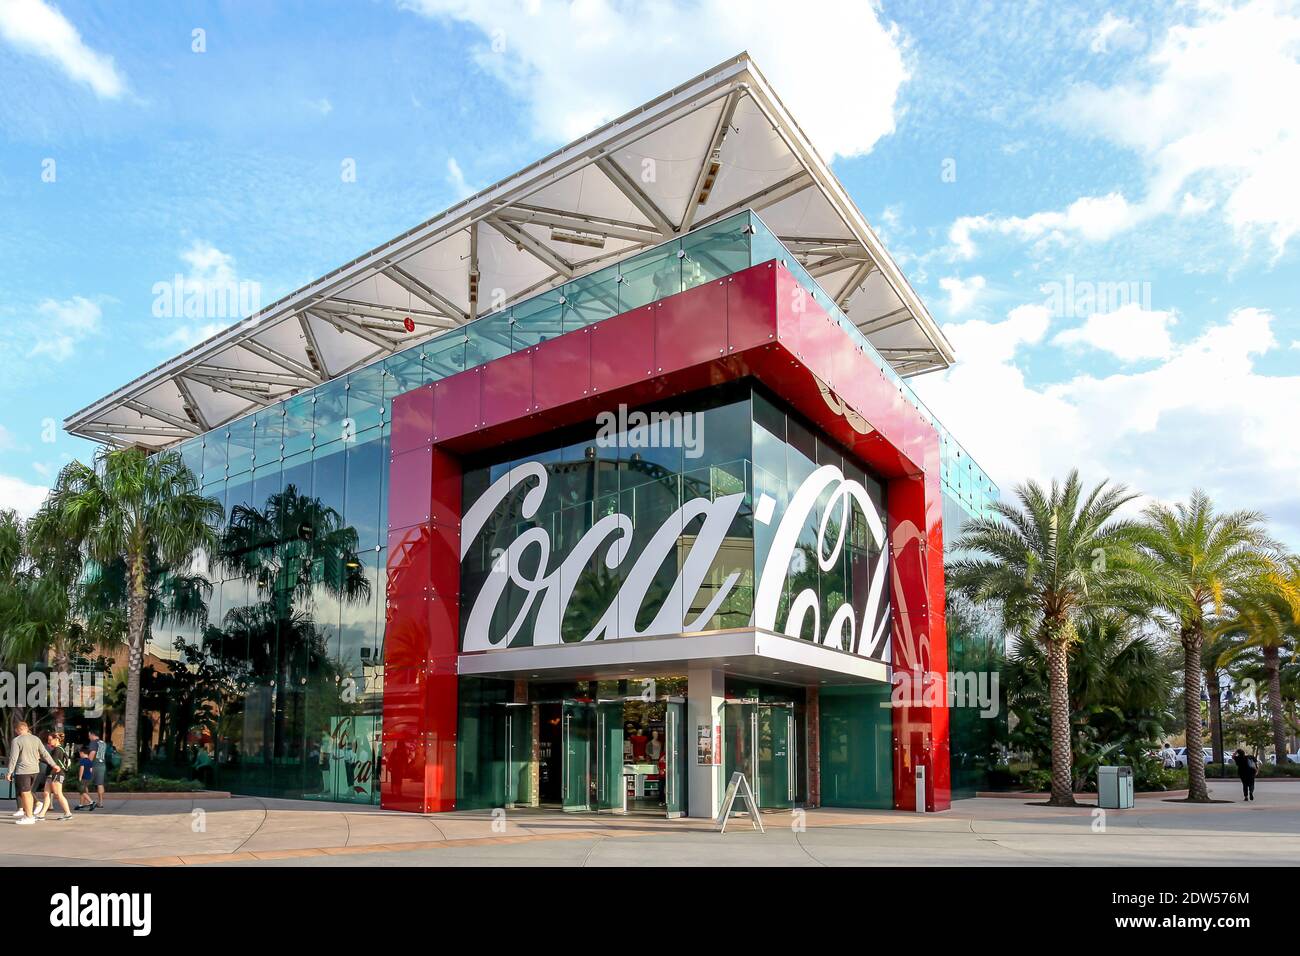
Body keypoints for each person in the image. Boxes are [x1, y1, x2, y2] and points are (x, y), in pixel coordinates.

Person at [5, 722, 60, 825]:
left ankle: (29, 817)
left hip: (23, 770)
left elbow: (13, 758)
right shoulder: (36, 739)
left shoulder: (16, 740)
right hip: (35, 770)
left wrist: (9, 772)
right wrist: (54, 765)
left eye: (16, 730)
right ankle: (28, 815)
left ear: (18, 730)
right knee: (28, 792)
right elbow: (45, 753)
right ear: (26, 728)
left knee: (25, 793)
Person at [34, 732, 73, 821]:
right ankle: (42, 814)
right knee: (46, 794)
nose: (49, 742)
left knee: (58, 794)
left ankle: (68, 813)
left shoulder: (57, 750)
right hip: (51, 774)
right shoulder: (58, 749)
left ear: (56, 739)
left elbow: (52, 762)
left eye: (50, 740)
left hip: (56, 774)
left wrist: (40, 758)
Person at [77, 730, 107, 811]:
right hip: (102, 765)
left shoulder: (93, 742)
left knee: (84, 783)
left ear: (92, 734)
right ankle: (100, 802)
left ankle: (86, 802)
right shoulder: (103, 743)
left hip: (93, 765)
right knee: (100, 784)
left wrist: (87, 763)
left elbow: (92, 753)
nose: (88, 737)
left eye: (89, 735)